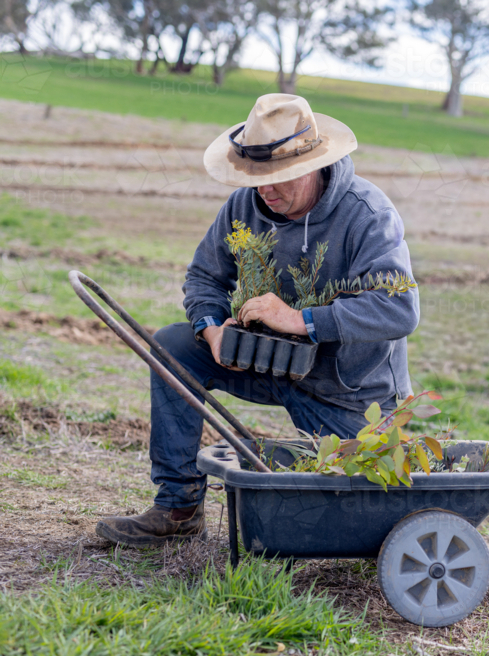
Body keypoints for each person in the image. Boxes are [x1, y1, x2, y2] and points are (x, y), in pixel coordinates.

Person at [96, 94, 419, 546]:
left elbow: (399, 308)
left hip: (350, 394)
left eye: (278, 178)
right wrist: (211, 330)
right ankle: (178, 509)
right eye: (257, 177)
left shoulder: (368, 215)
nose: (265, 189)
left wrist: (300, 319)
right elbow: (205, 278)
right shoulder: (244, 206)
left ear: (313, 164)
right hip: (267, 367)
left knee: (371, 514)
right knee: (172, 346)